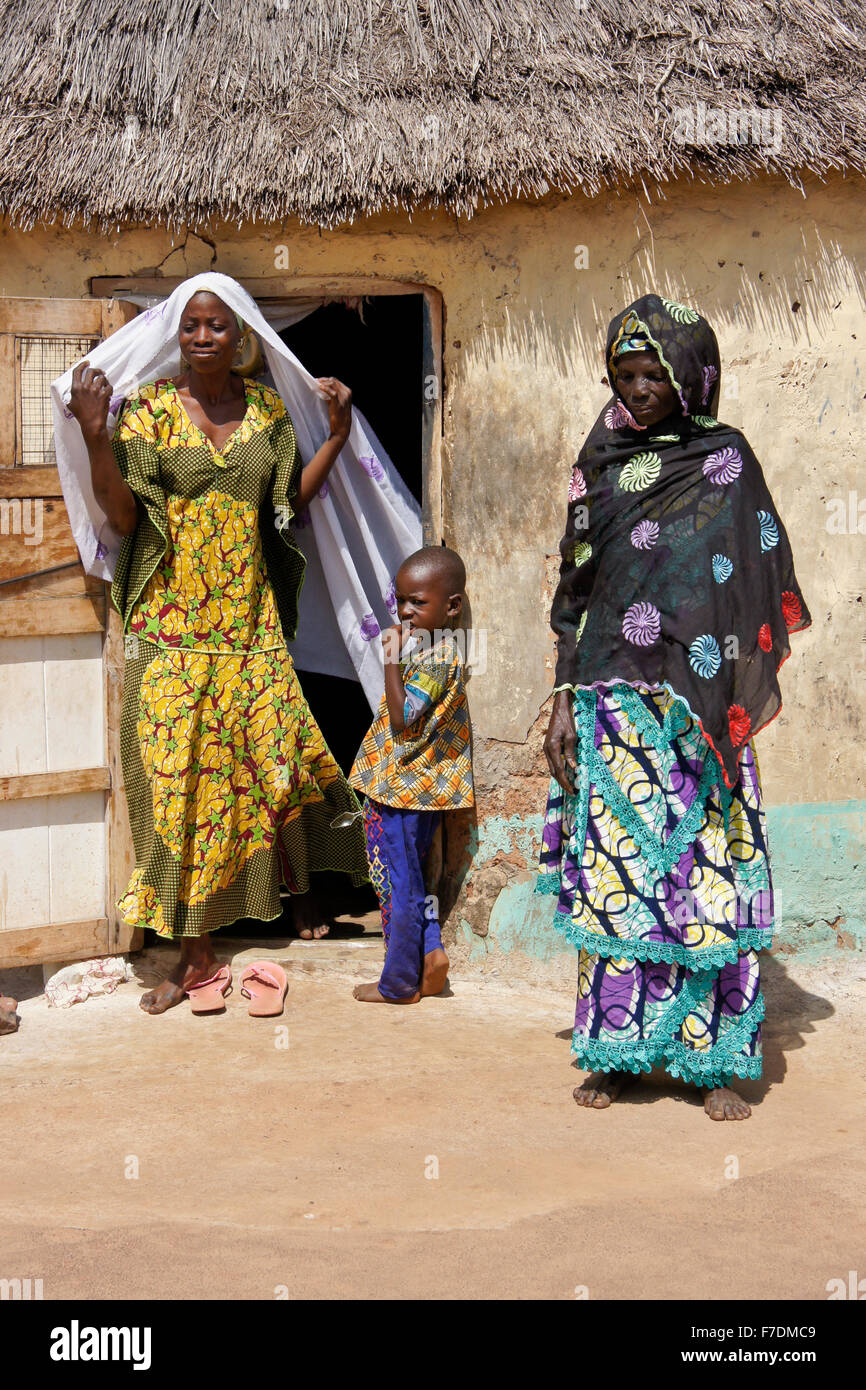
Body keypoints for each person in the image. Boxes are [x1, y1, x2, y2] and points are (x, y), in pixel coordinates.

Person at [538, 293, 810, 1120]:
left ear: (692, 374)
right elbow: (576, 587)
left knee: (701, 877)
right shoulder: (603, 459)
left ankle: (709, 1061)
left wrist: (729, 677)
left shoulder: (725, 461)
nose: (639, 388)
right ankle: (617, 1050)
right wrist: (559, 697)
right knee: (618, 874)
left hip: (699, 706)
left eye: (655, 371)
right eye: (625, 372)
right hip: (612, 699)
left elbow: (760, 577)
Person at [67, 279, 368, 1013]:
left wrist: (334, 437)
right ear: (178, 335)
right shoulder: (148, 413)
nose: (204, 337)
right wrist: (93, 433)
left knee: (271, 772)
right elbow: (122, 511)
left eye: (218, 327)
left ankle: (294, 896)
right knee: (174, 791)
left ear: (242, 337)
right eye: (192, 326)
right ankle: (192, 954)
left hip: (250, 632)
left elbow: (287, 506)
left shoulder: (266, 410)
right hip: (171, 633)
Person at [349, 547, 474, 1003]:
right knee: (415, 880)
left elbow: (403, 719)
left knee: (396, 884)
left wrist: (390, 660)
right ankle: (430, 952)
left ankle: (399, 982)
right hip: (419, 793)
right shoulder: (439, 651)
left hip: (401, 793)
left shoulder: (438, 658)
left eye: (417, 602)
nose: (404, 611)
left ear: (452, 606)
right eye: (400, 600)